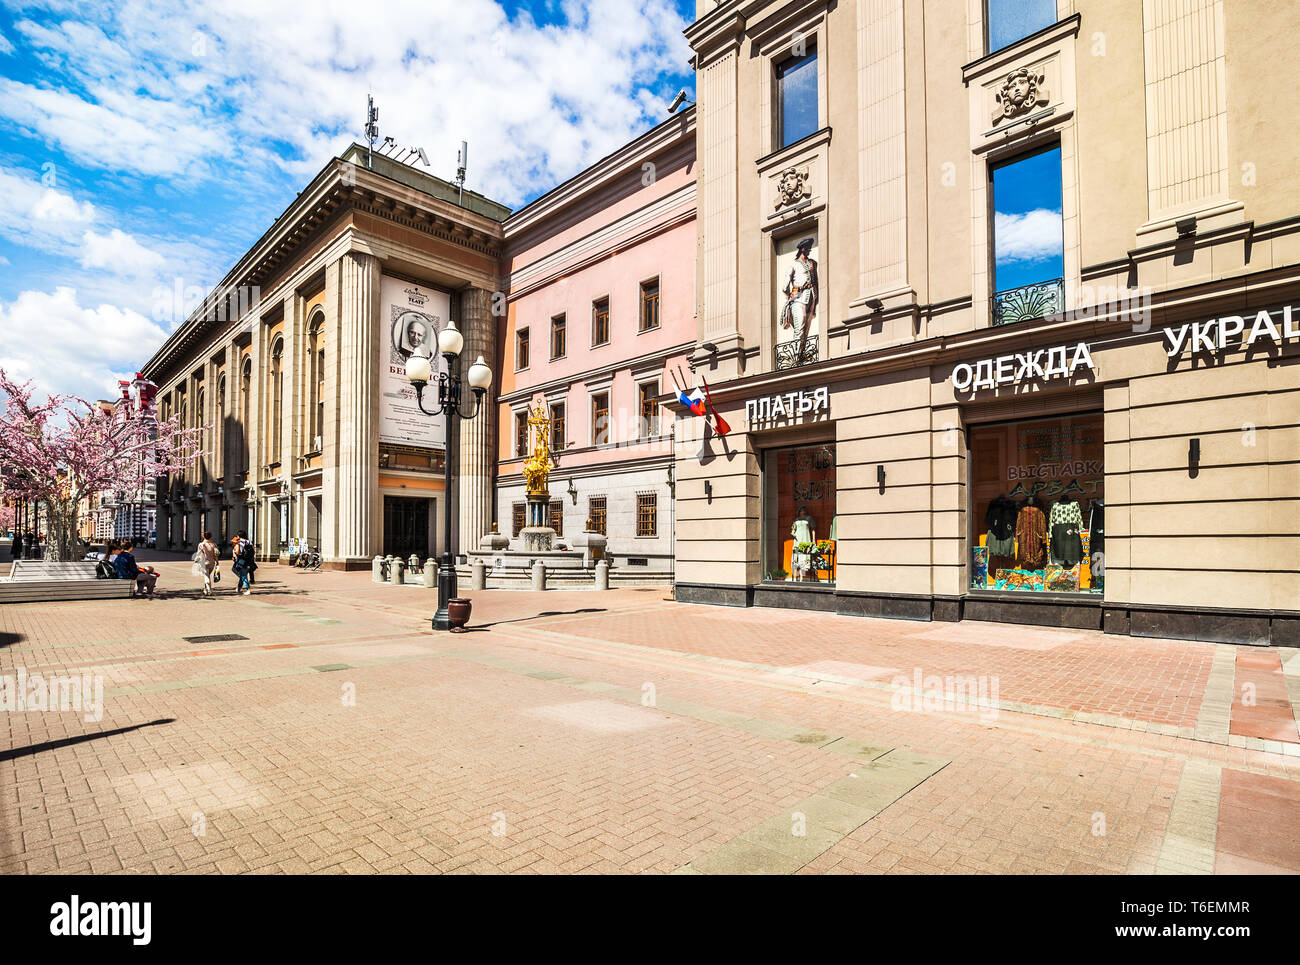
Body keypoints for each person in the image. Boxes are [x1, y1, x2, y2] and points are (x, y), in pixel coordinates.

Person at [195, 531, 219, 597]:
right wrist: (217, 562)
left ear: (203, 536)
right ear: (210, 536)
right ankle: (205, 590)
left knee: (206, 576)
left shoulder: (201, 544)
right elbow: (216, 554)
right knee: (207, 575)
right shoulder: (214, 544)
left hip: (204, 562)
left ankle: (209, 590)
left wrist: (196, 560)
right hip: (212, 563)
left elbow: (199, 554)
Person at [231, 530, 256, 595]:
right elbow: (253, 551)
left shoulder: (238, 542)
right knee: (243, 574)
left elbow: (237, 552)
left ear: (238, 536)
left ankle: (247, 589)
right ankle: (239, 588)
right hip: (248, 560)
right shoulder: (249, 542)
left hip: (241, 560)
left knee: (243, 575)